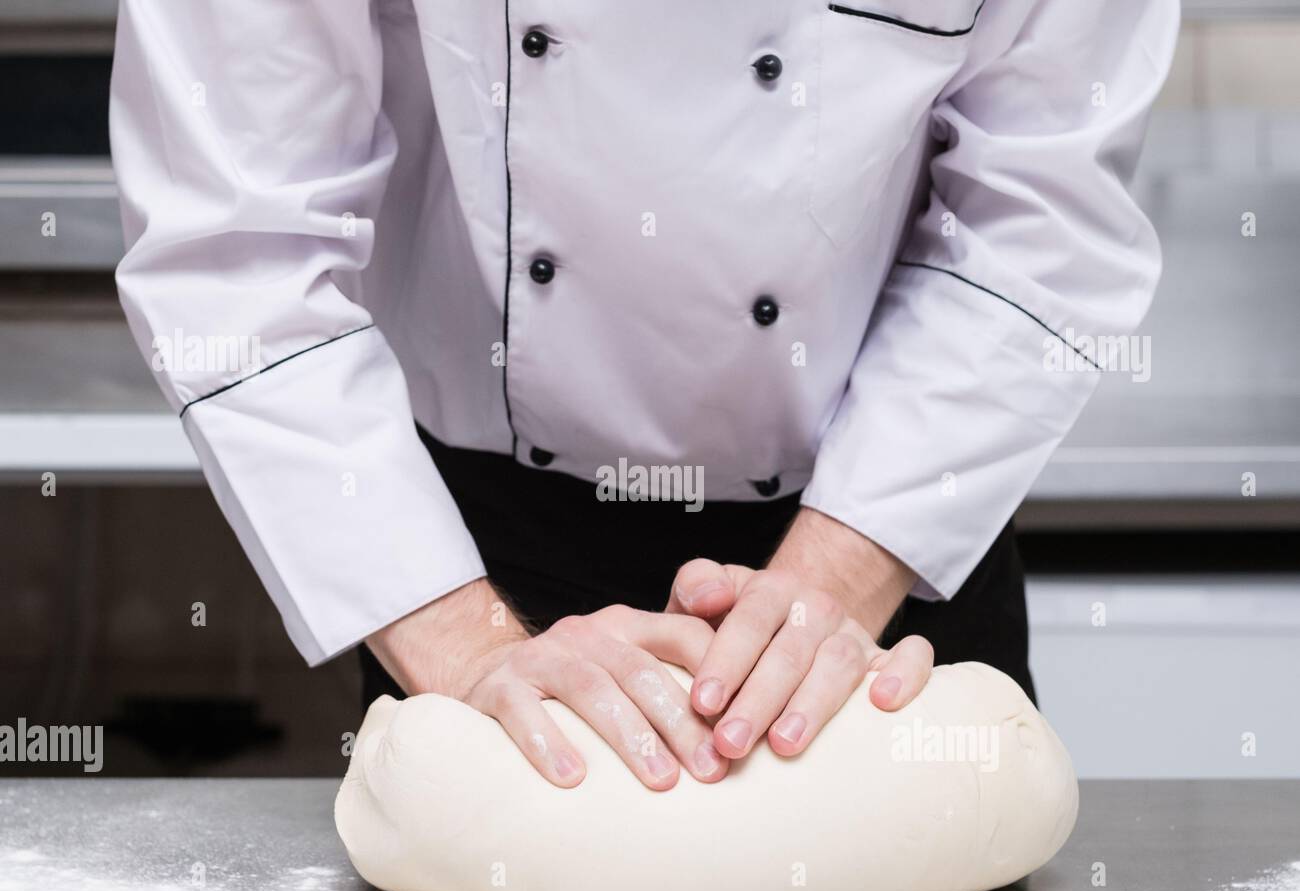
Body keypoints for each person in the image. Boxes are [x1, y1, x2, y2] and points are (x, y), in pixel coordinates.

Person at [110, 0, 1178, 790]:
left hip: (891, 532)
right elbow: (238, 253)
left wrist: (833, 582)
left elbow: (1040, 211)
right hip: (485, 560)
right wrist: (473, 652)